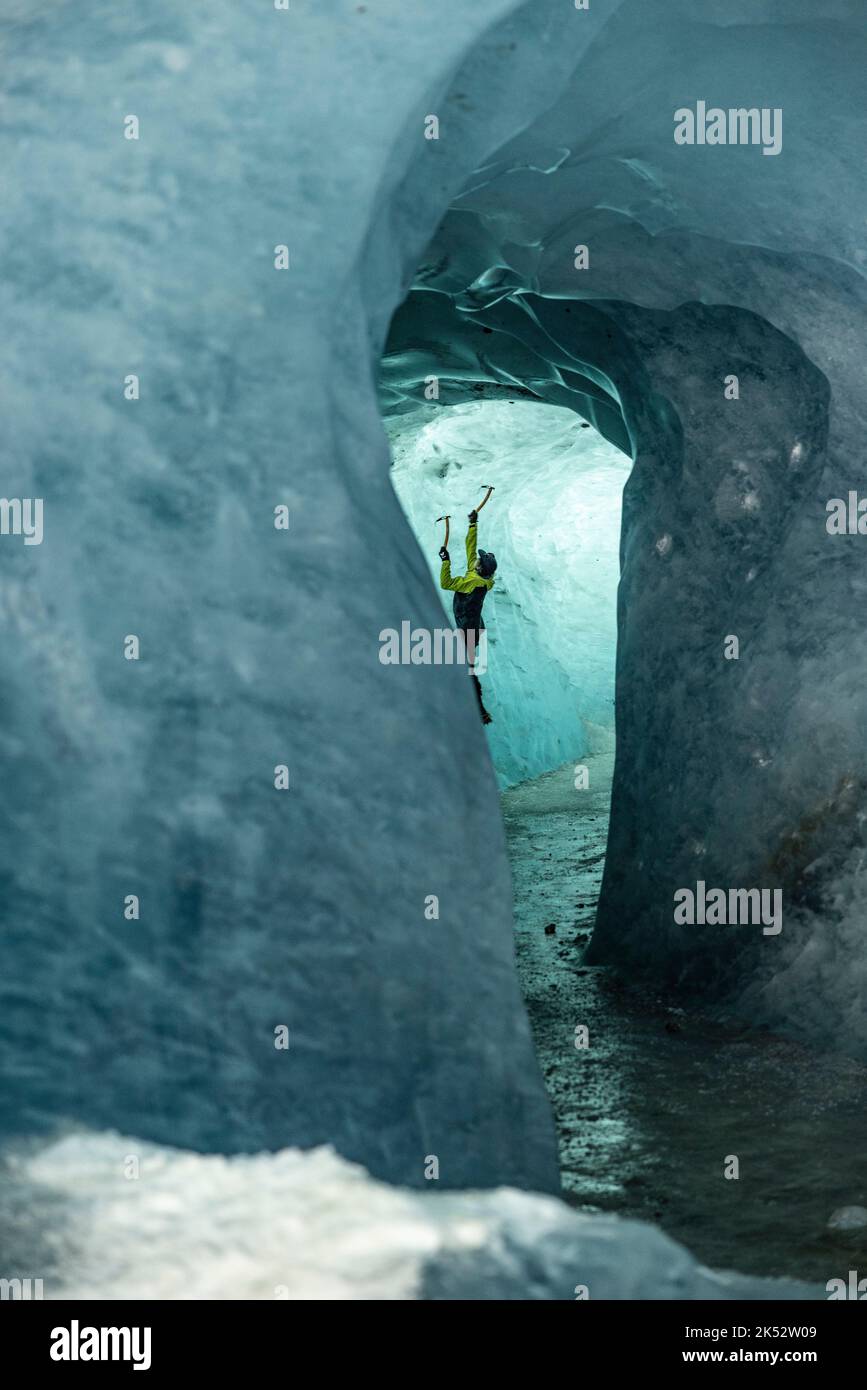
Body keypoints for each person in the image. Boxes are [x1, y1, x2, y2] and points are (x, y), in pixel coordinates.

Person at [439, 509, 497, 724]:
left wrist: (446, 561)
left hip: (468, 632)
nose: (476, 560)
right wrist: (473, 524)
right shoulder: (483, 577)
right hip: (474, 628)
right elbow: (471, 551)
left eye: (480, 561)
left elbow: (446, 583)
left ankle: (480, 711)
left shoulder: (473, 583)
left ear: (480, 569)